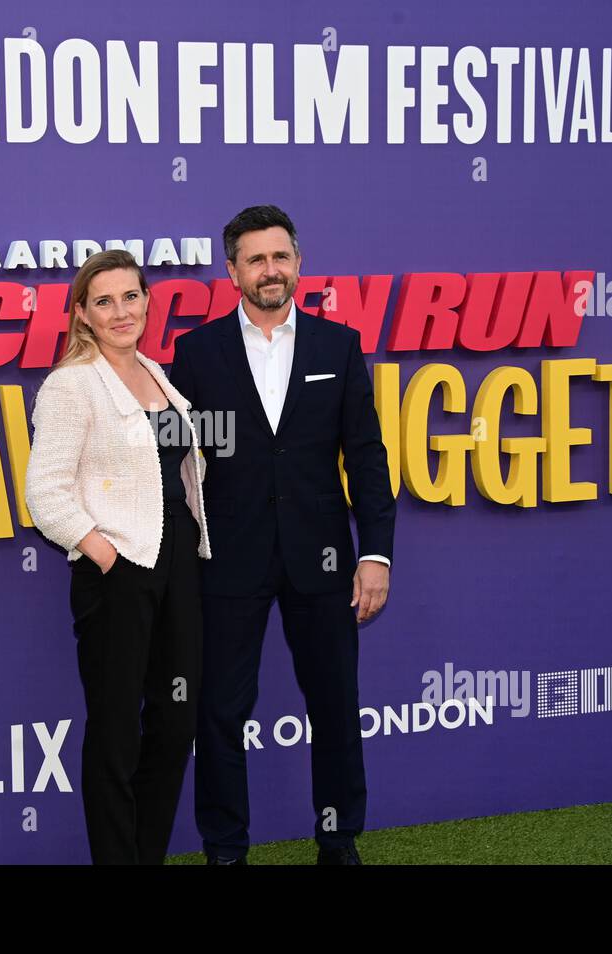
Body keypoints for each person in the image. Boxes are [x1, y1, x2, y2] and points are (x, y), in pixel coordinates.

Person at [168, 205, 396, 865]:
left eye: (280, 257)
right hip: (227, 560)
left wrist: (375, 553)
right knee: (218, 712)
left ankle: (337, 839)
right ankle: (225, 848)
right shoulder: (196, 352)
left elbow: (367, 456)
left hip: (322, 559)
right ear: (233, 270)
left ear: (297, 262)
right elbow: (179, 455)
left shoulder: (337, 345)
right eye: (255, 259)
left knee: (335, 704)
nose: (270, 270)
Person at [24, 249, 212, 864]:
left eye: (130, 296)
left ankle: (144, 854)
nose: (120, 311)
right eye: (103, 301)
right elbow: (45, 494)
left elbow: (181, 472)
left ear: (148, 301)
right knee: (114, 733)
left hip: (180, 565)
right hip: (119, 575)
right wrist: (106, 554)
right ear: (81, 314)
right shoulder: (71, 385)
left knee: (176, 719)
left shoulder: (159, 375)